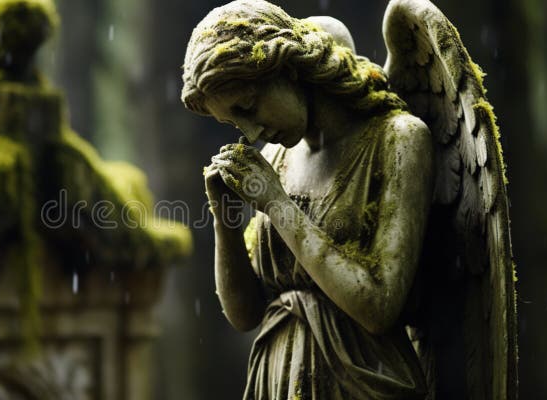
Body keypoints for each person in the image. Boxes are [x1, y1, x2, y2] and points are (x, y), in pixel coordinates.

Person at [181, 1, 434, 398]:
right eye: (233, 122)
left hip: (361, 379)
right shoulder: (276, 159)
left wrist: (276, 203)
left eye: (248, 107)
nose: (250, 132)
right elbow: (245, 315)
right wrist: (225, 220)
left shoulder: (397, 139)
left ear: (291, 69)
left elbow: (379, 306)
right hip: (275, 377)